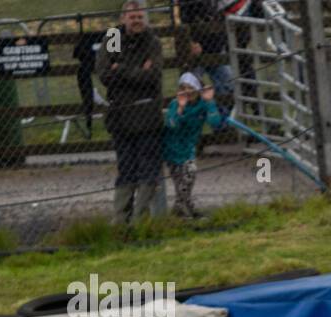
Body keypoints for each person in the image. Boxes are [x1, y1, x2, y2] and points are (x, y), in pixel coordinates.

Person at [96, 1, 165, 222]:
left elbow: (152, 76)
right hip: (121, 117)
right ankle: (120, 219)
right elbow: (105, 75)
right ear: (123, 18)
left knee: (147, 167)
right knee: (126, 168)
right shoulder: (114, 38)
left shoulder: (152, 42)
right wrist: (136, 72)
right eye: (132, 17)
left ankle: (140, 220)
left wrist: (122, 69)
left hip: (147, 116)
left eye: (139, 17)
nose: (136, 21)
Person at [163, 72, 224, 218]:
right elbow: (172, 125)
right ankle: (185, 210)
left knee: (189, 174)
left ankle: (181, 209)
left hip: (189, 147)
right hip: (172, 148)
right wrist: (180, 109)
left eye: (190, 87)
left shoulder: (203, 104)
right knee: (180, 182)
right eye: (183, 88)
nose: (186, 91)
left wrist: (210, 102)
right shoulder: (175, 104)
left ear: (197, 89)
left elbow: (215, 123)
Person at [177, 1, 243, 114]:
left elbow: (225, 12)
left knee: (227, 84)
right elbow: (182, 19)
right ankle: (190, 119)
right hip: (197, 51)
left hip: (216, 47)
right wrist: (191, 42)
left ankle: (223, 122)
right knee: (190, 86)